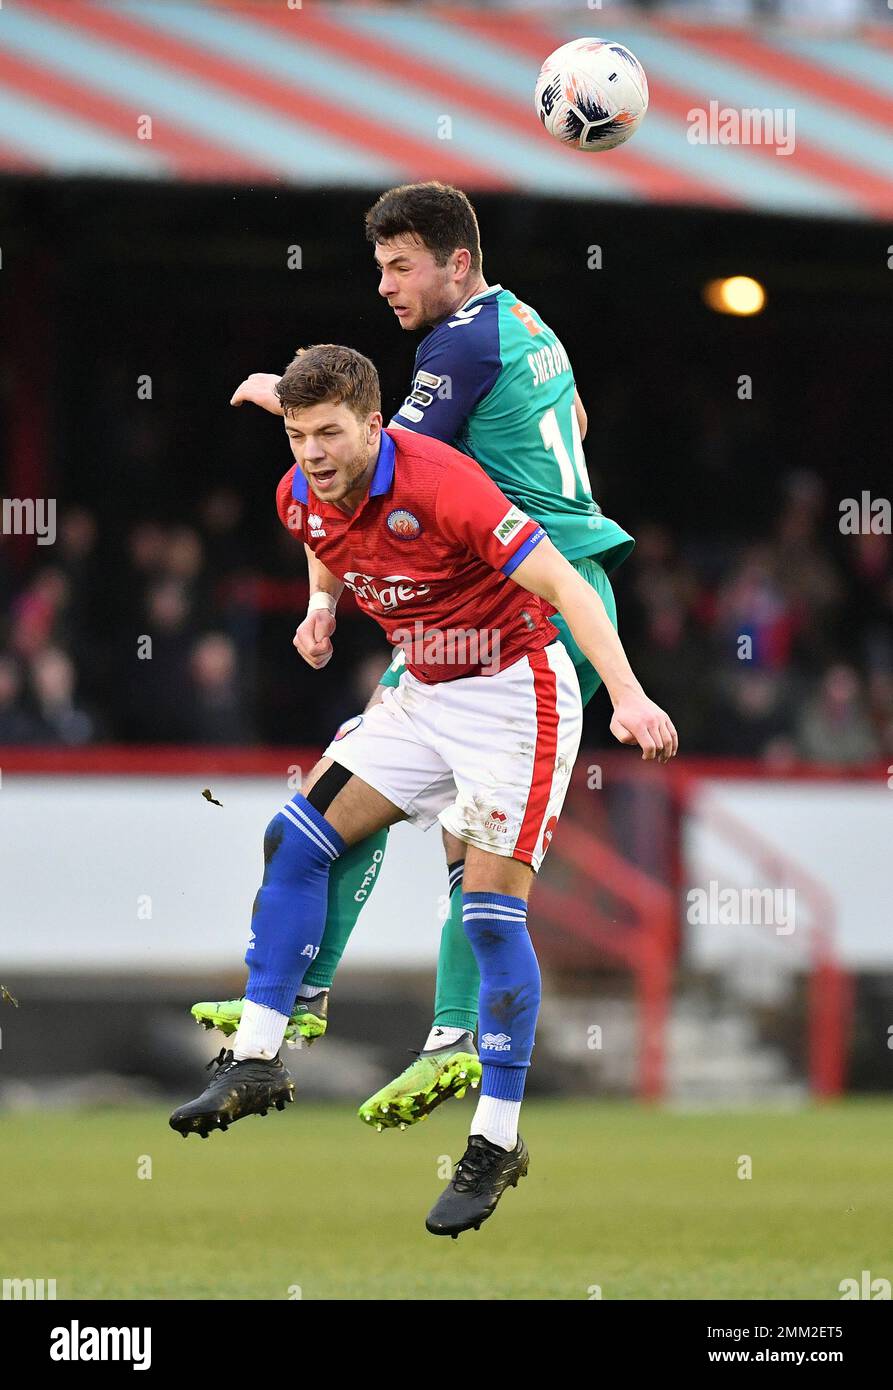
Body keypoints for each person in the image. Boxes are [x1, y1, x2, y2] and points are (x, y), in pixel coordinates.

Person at [170, 345, 677, 1238]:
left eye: (329, 433)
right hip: (423, 693)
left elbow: (560, 581)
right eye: (296, 436)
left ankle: (495, 1142)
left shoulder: (442, 485)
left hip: (516, 693)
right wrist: (321, 606)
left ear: (376, 424)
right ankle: (256, 1055)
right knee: (295, 838)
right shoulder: (299, 492)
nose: (313, 454)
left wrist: (628, 696)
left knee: (487, 915)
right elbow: (328, 538)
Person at [192, 182, 638, 1130]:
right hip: (555, 573)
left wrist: (286, 395)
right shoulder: (524, 325)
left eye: (401, 267)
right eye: (380, 267)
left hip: (527, 595)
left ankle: (330, 1011)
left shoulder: (460, 341)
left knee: (388, 808)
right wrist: (325, 597)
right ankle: (420, 1028)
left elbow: (365, 462)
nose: (386, 286)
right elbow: (580, 426)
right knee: (433, 816)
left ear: (457, 264)